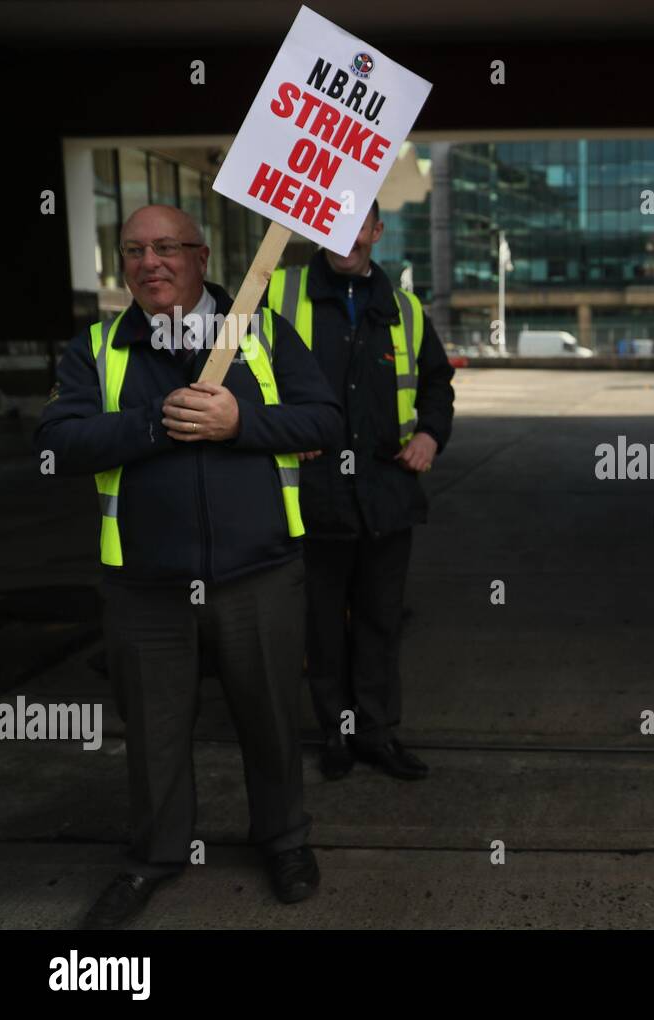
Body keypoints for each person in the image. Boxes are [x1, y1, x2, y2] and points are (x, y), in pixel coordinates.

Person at [36, 205, 343, 929]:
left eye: (168, 246)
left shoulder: (262, 333)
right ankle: (153, 858)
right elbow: (58, 442)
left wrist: (242, 423)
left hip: (259, 574)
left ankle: (284, 842)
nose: (151, 262)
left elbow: (326, 420)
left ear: (202, 257)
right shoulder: (97, 348)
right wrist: (152, 422)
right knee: (154, 733)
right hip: (145, 588)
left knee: (270, 720)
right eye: (135, 250)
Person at [265, 200, 455, 781]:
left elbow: (436, 383)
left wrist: (429, 434)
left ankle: (377, 734)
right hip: (314, 493)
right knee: (323, 627)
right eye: (332, 221)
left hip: (385, 491)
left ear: (378, 229)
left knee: (379, 620)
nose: (346, 234)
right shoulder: (276, 294)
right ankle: (337, 734)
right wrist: (278, 428)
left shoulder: (404, 309)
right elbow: (240, 373)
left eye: (359, 222)